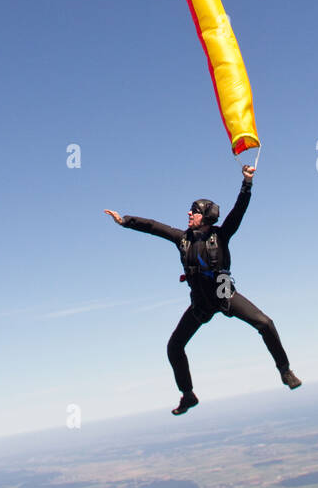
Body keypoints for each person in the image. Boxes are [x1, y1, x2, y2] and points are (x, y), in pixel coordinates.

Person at [105, 165, 301, 414]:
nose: (189, 213)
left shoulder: (221, 235)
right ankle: (188, 395)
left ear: (206, 215)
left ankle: (285, 371)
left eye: (194, 211)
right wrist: (125, 221)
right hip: (200, 302)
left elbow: (239, 211)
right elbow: (154, 227)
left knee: (265, 323)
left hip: (223, 293)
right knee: (174, 346)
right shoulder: (182, 238)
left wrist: (247, 183)